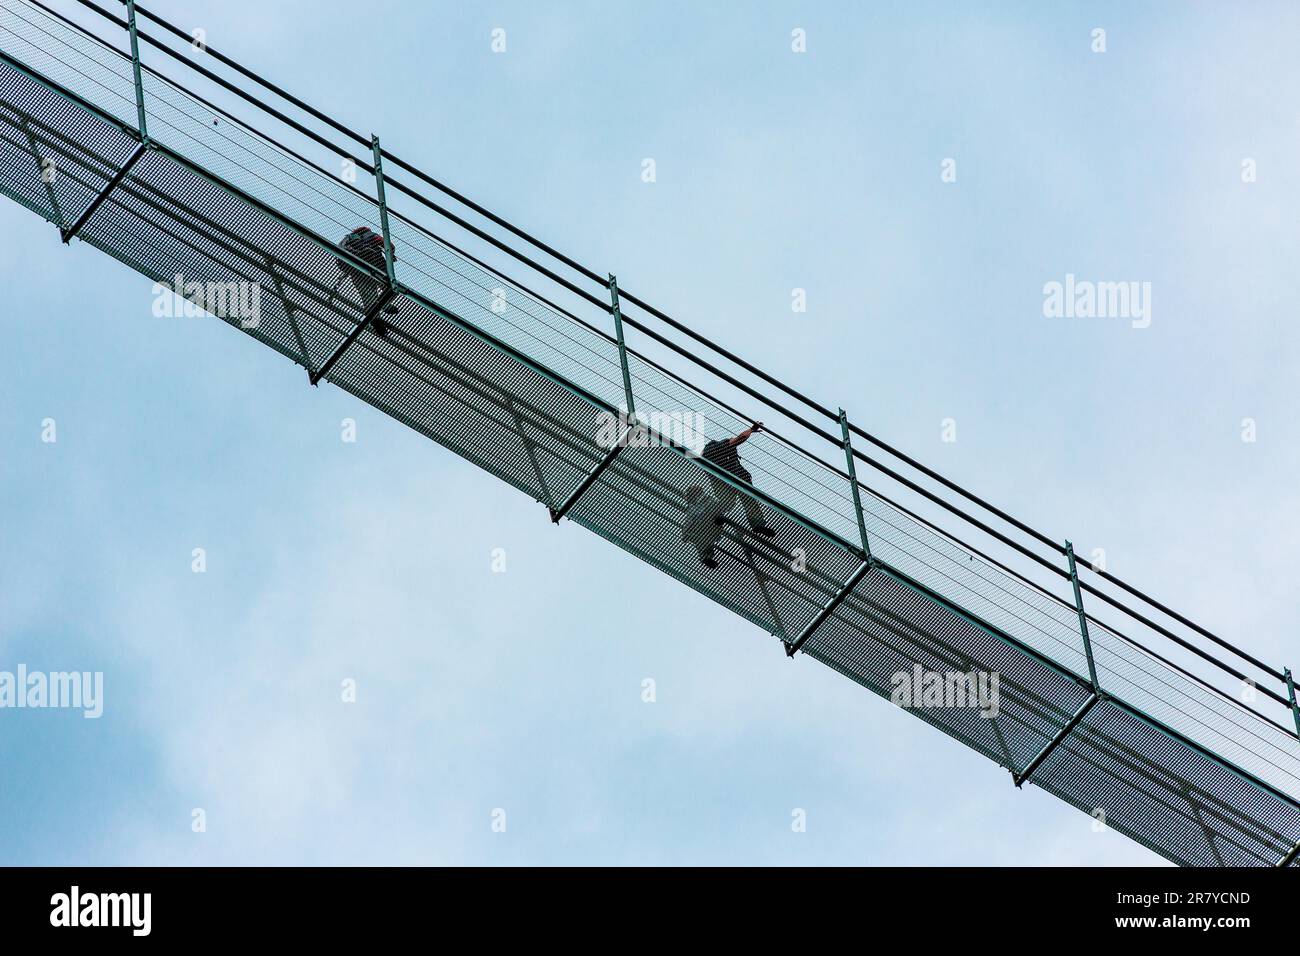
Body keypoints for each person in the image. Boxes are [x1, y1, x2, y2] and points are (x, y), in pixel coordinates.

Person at [701, 423, 775, 537]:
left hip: (726, 484)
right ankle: (756, 524)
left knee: (729, 502)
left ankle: (716, 515)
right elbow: (739, 438)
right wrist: (751, 429)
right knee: (746, 499)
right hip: (733, 482)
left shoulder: (710, 459)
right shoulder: (720, 448)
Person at [334, 225, 399, 332]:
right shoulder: (370, 234)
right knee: (392, 289)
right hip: (374, 265)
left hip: (355, 269)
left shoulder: (347, 239)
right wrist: (391, 253)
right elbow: (388, 245)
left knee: (368, 296)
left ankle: (375, 318)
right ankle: (385, 305)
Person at [682, 485, 725, 568]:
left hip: (710, 524)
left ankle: (706, 557)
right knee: (702, 540)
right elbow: (689, 520)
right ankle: (706, 557)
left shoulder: (705, 501)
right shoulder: (693, 506)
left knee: (702, 540)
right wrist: (685, 533)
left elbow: (689, 520)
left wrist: (685, 533)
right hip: (706, 527)